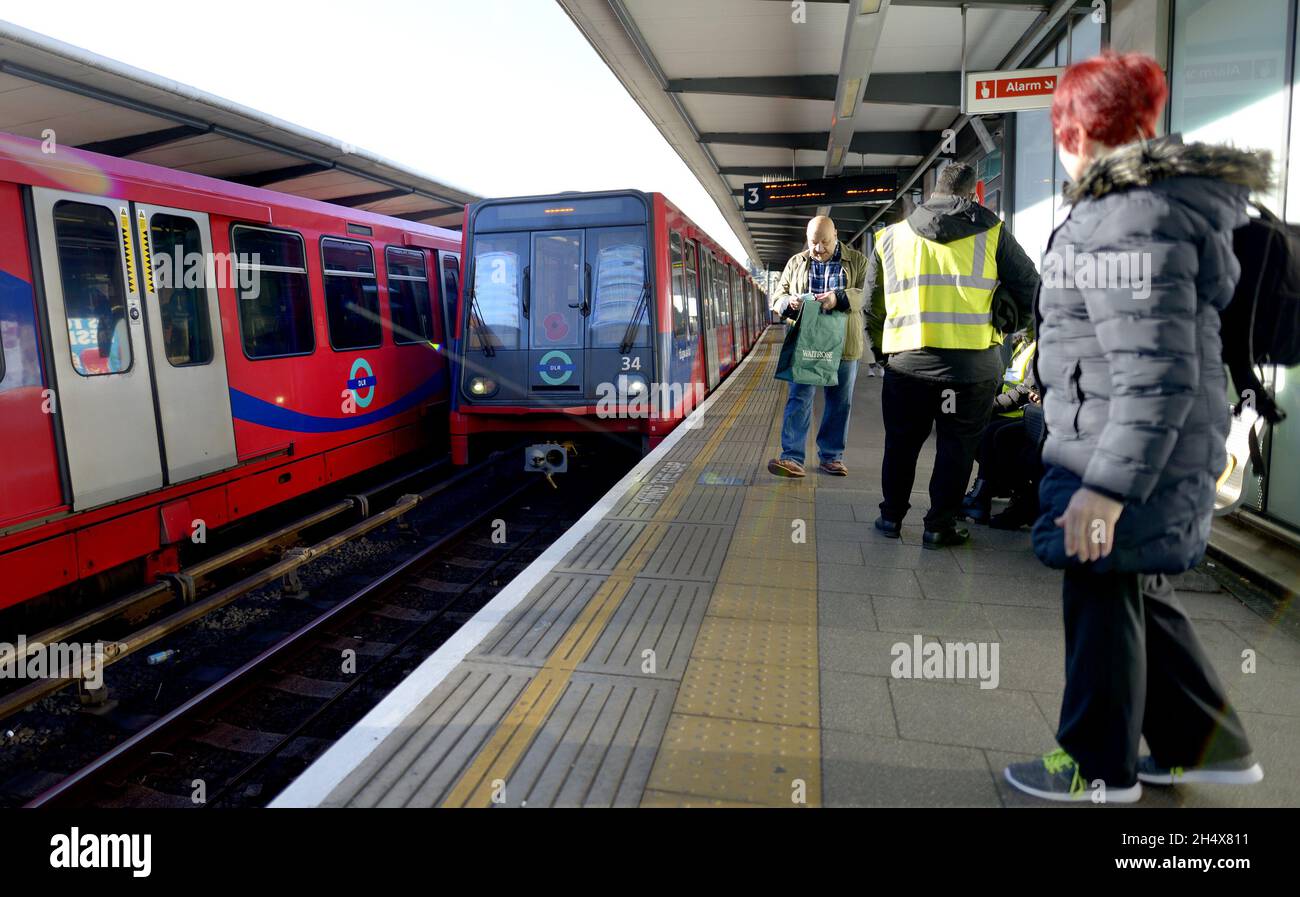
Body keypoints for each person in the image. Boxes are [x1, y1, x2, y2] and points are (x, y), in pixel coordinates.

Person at [1004, 52, 1269, 803]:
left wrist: (1107, 488)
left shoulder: (1125, 217)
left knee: (1100, 591)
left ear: (1080, 130)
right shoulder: (1146, 206)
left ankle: (1094, 766)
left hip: (1117, 455)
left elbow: (1155, 370)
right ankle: (1206, 744)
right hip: (1145, 447)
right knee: (1134, 590)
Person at [866, 162, 1040, 547]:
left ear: (933, 194)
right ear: (972, 194)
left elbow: (871, 309)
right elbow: (1031, 287)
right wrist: (1005, 323)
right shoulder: (992, 232)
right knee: (956, 447)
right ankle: (938, 526)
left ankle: (891, 518)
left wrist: (884, 356)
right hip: (969, 369)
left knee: (901, 444)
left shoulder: (890, 237)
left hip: (907, 367)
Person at [767, 216, 870, 478]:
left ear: (835, 235)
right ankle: (792, 457)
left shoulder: (857, 261)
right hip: (805, 342)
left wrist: (839, 297)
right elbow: (778, 296)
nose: (819, 248)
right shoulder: (796, 262)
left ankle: (831, 457)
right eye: (814, 242)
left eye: (824, 241)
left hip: (843, 344)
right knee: (799, 398)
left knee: (839, 403)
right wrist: (788, 303)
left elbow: (866, 293)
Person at [962, 331, 1039, 526]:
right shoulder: (1023, 345)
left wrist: (989, 406)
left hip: (1025, 415)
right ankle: (987, 489)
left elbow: (1025, 391)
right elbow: (1007, 384)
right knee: (977, 428)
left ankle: (983, 495)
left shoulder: (1041, 346)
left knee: (994, 434)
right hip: (1014, 412)